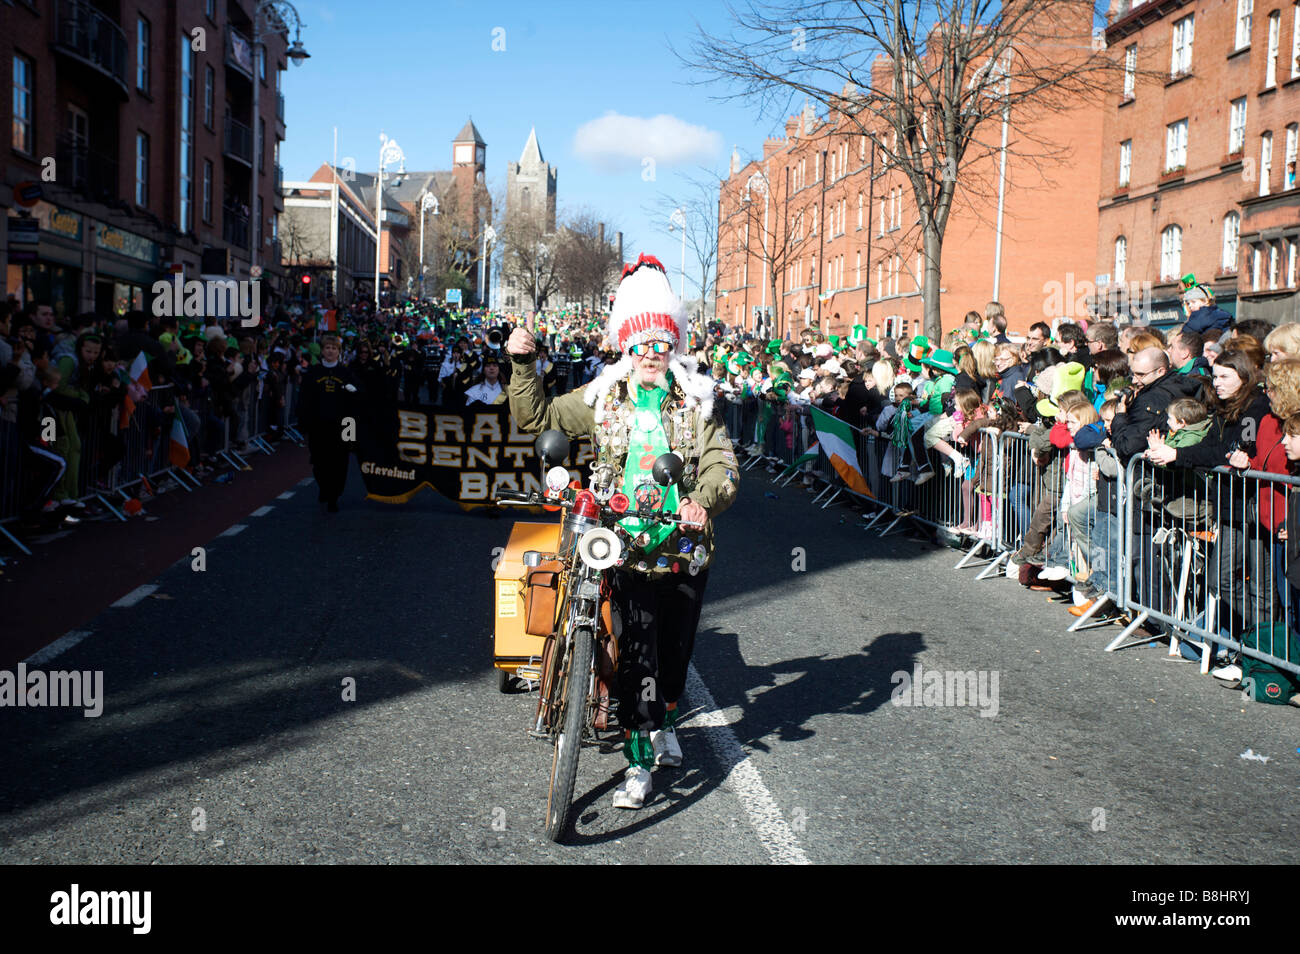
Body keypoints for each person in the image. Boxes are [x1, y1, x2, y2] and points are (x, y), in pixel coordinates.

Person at [506, 254, 737, 811]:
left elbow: (722, 466)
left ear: (673, 346)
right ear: (626, 348)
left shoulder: (698, 402)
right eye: (642, 345)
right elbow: (536, 420)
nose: (652, 355)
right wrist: (521, 363)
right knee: (636, 655)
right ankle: (638, 765)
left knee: (675, 655)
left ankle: (667, 724)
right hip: (624, 546)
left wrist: (703, 503)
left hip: (681, 546)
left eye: (661, 345)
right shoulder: (602, 397)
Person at [297, 333, 359, 513]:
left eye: (334, 348)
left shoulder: (346, 372)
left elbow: (357, 395)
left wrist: (352, 390)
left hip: (344, 424)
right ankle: (324, 488)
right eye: (327, 348)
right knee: (319, 461)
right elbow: (304, 397)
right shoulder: (313, 372)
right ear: (322, 351)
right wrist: (303, 421)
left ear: (339, 352)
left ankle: (334, 496)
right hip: (319, 424)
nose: (330, 351)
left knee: (340, 462)